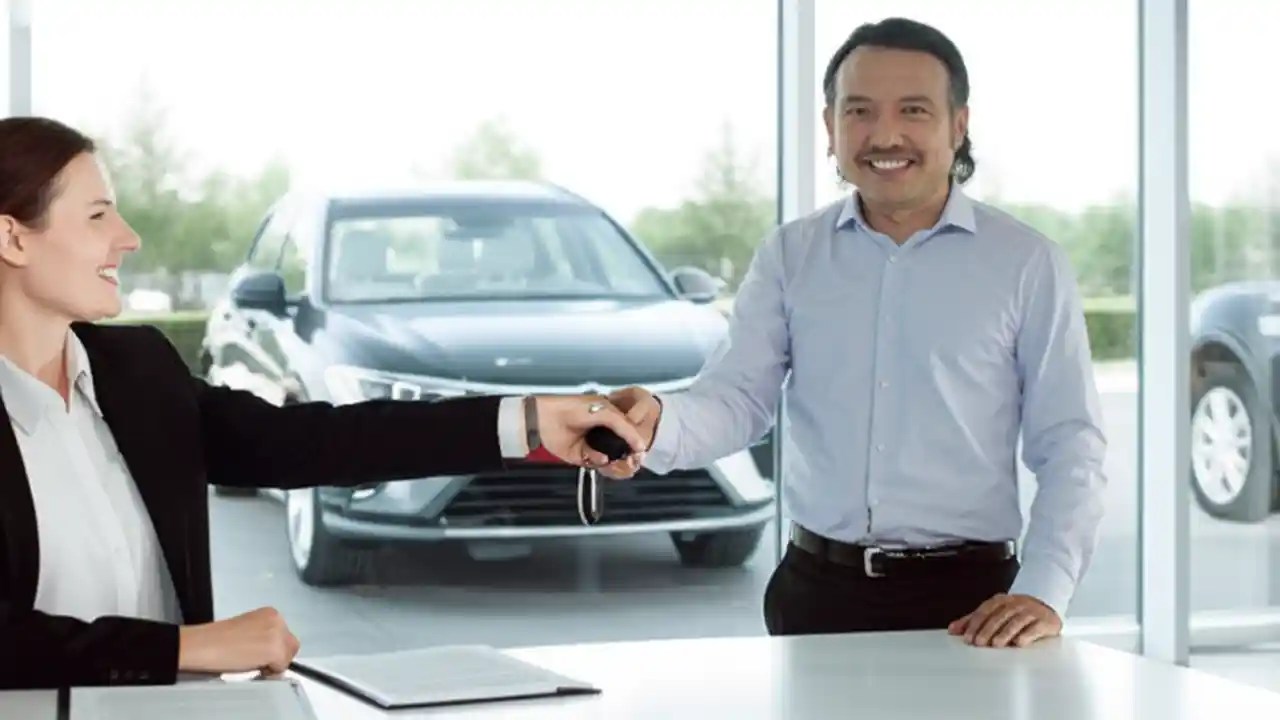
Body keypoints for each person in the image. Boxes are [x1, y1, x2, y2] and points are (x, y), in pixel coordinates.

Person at [0, 116, 646, 690]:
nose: (129, 237)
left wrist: (527, 421)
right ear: (14, 238)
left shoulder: (136, 370)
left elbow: (315, 441)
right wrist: (183, 648)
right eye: (97, 216)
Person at [602, 17, 1106, 649]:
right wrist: (654, 423)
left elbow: (1071, 444)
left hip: (973, 606)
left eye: (913, 110)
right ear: (830, 127)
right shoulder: (791, 255)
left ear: (958, 125)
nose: (884, 134)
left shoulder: (1027, 264)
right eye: (859, 110)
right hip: (815, 594)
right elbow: (738, 400)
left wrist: (1044, 590)